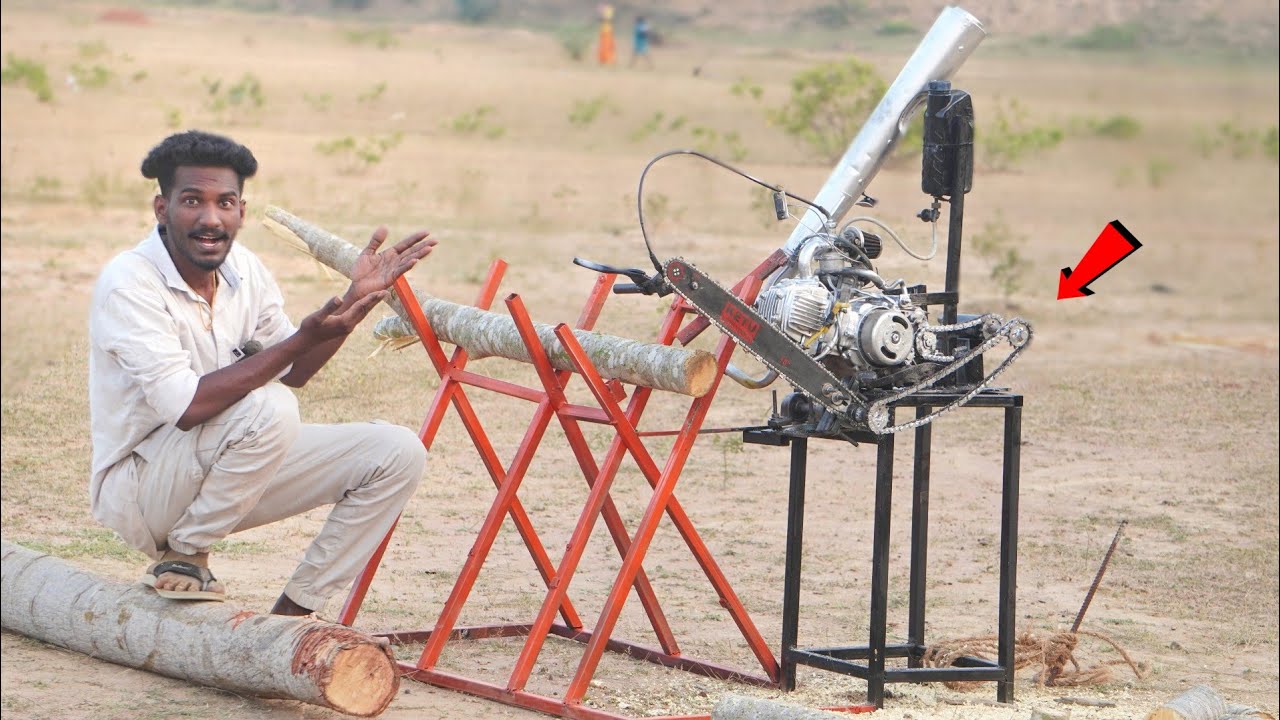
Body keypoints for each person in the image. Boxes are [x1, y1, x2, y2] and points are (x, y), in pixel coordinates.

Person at [88, 130, 437, 616]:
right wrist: (300, 339)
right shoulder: (129, 282)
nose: (211, 219)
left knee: (396, 452)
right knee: (271, 407)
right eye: (192, 201)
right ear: (161, 209)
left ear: (242, 212)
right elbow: (187, 407)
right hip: (143, 490)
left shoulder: (244, 269)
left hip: (221, 472)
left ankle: (291, 618)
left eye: (225, 202)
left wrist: (355, 298)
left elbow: (294, 369)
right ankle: (187, 554)